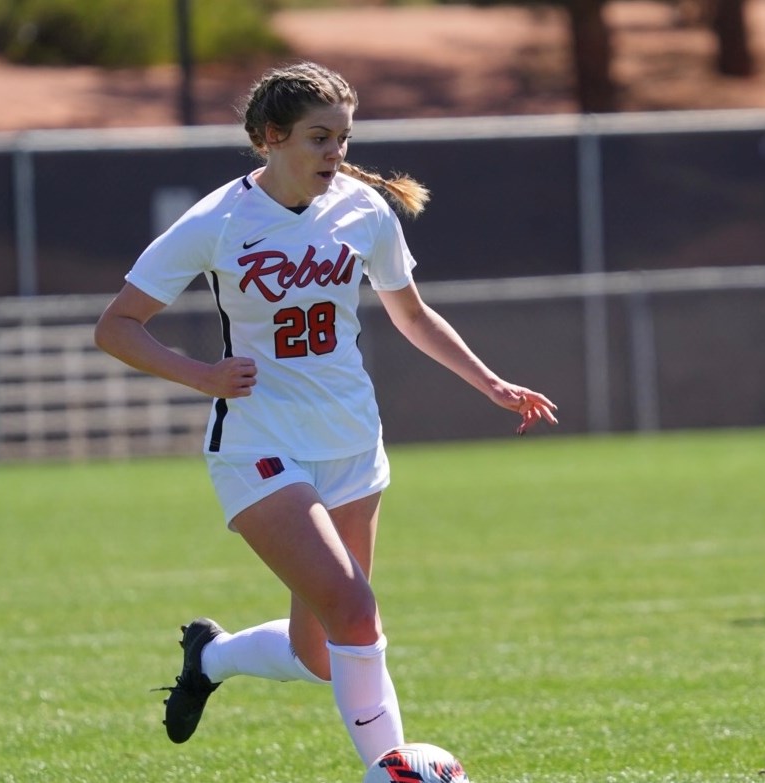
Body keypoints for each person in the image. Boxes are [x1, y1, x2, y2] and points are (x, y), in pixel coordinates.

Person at [93, 60, 558, 766]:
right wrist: (203, 376)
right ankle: (392, 768)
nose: (337, 154)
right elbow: (117, 325)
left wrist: (488, 382)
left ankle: (210, 657)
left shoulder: (363, 210)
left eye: (343, 138)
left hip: (350, 440)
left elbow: (412, 313)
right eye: (320, 138)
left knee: (322, 655)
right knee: (356, 611)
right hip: (260, 443)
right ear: (270, 138)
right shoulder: (218, 220)